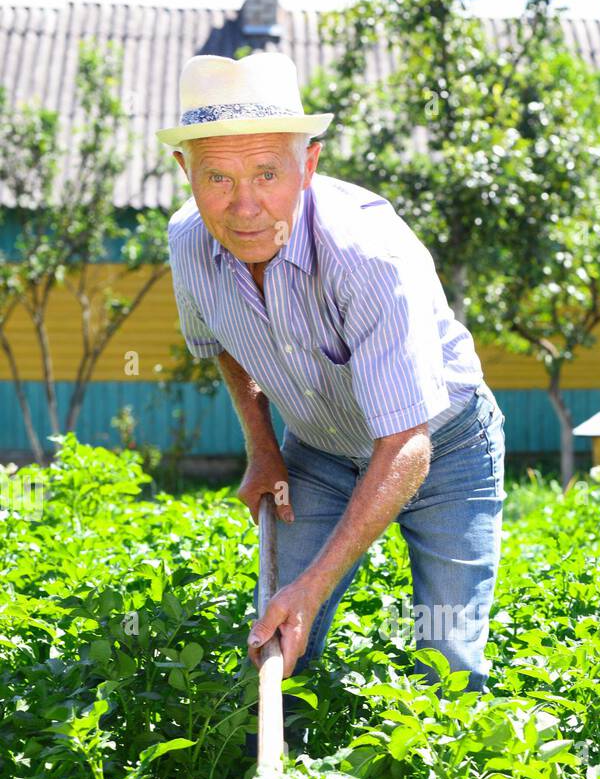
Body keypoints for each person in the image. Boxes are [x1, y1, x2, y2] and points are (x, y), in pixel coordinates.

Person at [157, 51, 505, 743]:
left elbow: (406, 444)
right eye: (218, 178)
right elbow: (223, 341)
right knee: (280, 643)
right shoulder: (190, 242)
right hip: (316, 450)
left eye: (267, 174)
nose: (244, 205)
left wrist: (312, 585)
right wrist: (262, 450)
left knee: (449, 659)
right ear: (186, 174)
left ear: (308, 166)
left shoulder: (368, 255)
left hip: (444, 446)